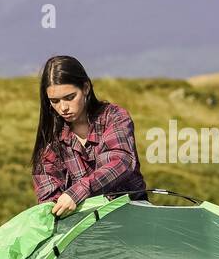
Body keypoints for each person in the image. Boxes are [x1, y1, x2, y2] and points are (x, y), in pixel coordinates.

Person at [31, 55, 146, 216]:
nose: (63, 107)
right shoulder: (50, 141)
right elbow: (48, 199)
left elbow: (120, 162)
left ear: (85, 88)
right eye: (55, 101)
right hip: (82, 225)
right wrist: (57, 208)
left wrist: (78, 191)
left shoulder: (113, 117)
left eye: (70, 97)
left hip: (132, 213)